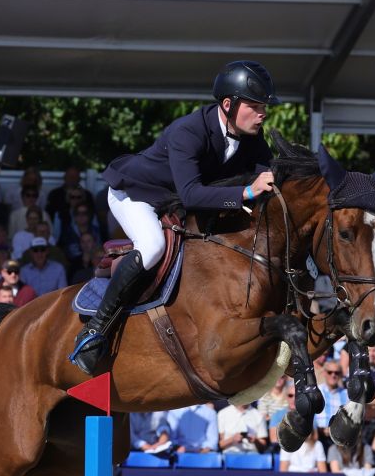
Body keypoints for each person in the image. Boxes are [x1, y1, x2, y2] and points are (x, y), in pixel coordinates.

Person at [72, 61, 277, 374]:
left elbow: (268, 178)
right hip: (136, 195)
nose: (262, 113)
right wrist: (247, 193)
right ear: (228, 105)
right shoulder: (188, 131)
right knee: (153, 245)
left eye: (264, 107)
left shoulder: (254, 139)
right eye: (255, 106)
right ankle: (95, 331)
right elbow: (194, 193)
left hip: (176, 203)